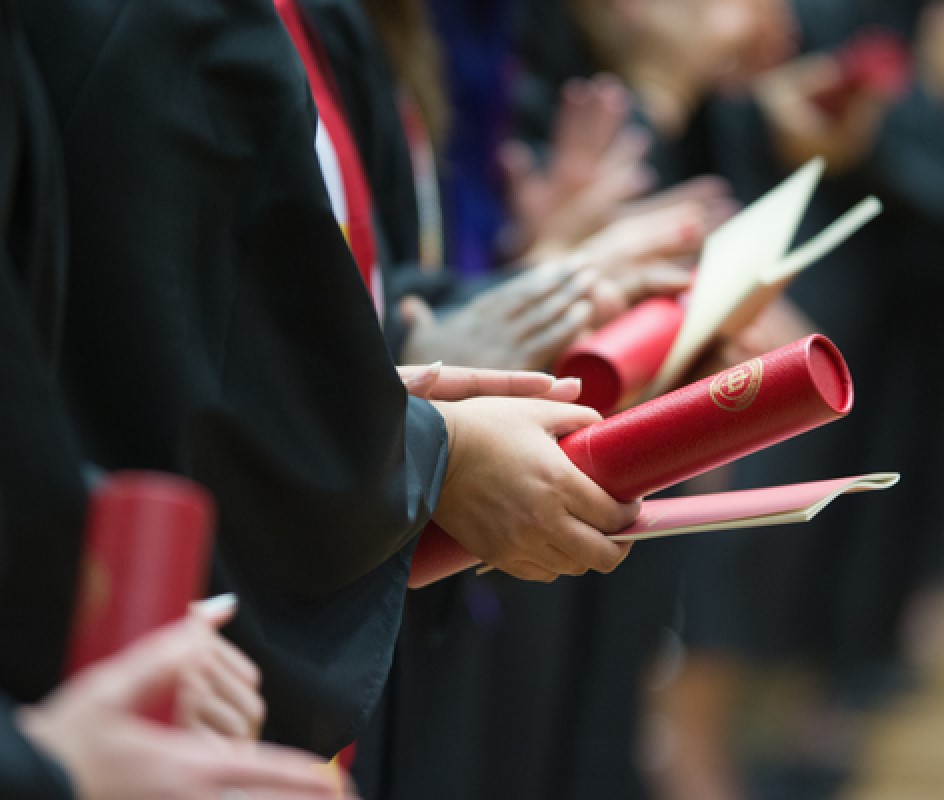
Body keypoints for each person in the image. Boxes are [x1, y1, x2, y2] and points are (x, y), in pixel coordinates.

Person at [15, 0, 640, 760]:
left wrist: (522, 302)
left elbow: (342, 282)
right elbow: (164, 352)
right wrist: (432, 446)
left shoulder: (342, 24)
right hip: (137, 631)